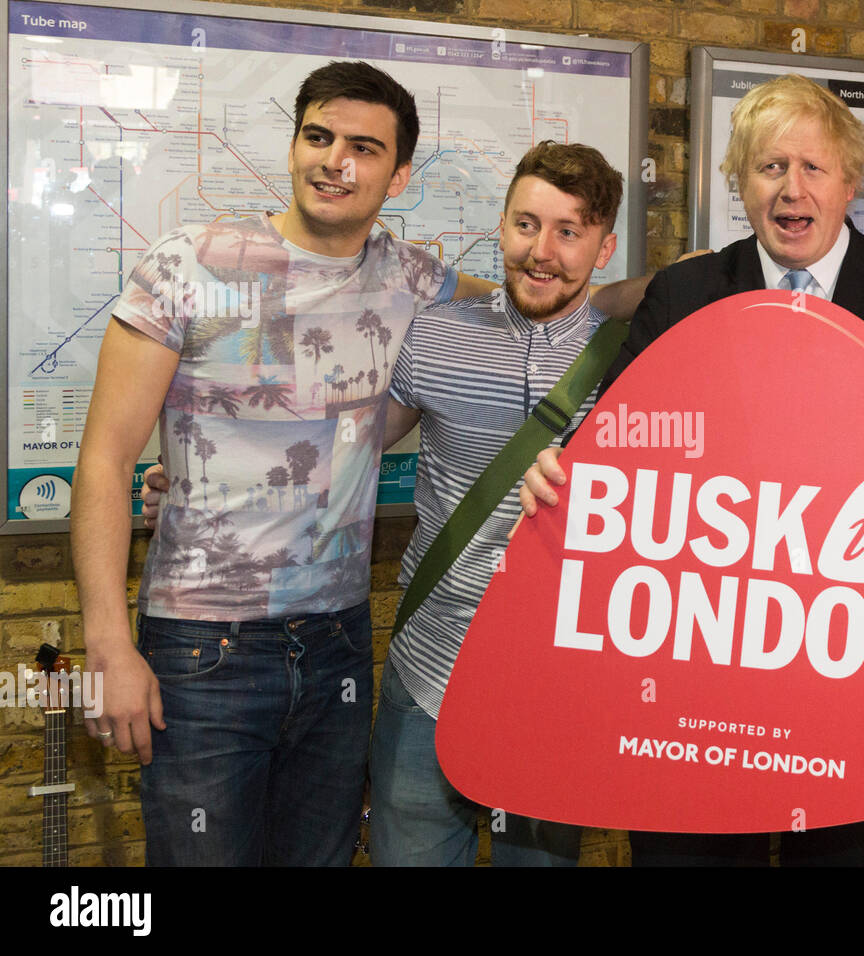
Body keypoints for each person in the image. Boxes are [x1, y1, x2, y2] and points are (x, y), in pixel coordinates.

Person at [72, 61, 642, 865]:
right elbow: (101, 461)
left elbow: (537, 291)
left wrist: (668, 292)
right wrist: (106, 643)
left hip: (337, 642)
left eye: (363, 147)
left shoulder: (411, 277)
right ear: (296, 144)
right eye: (318, 136)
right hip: (202, 650)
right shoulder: (188, 263)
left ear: (399, 173)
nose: (334, 160)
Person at [519, 73, 864, 866]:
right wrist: (564, 475)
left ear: (850, 183)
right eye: (768, 168)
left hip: (845, 676)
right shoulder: (685, 293)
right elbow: (618, 440)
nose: (791, 189)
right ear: (741, 183)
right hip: (695, 684)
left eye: (812, 168)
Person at [366, 141, 625, 866]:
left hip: (559, 688)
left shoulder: (634, 360)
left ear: (603, 250)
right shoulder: (434, 333)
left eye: (569, 233)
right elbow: (344, 453)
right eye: (524, 225)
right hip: (429, 669)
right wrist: (202, 469)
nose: (540, 253)